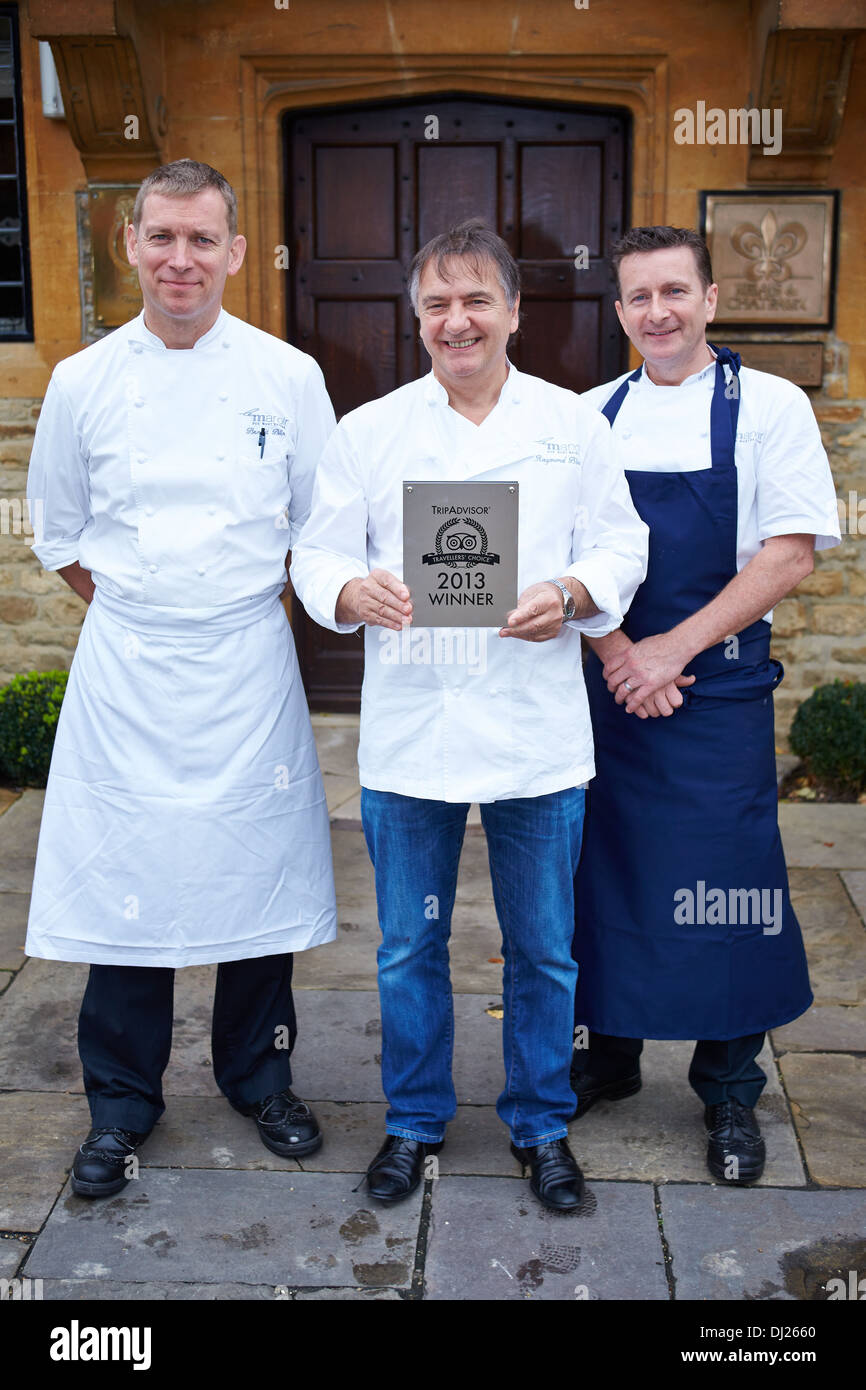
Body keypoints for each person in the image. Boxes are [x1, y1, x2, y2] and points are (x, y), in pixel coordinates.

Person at [290, 219, 648, 1212]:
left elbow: (622, 546)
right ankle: (412, 1121)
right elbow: (313, 556)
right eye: (438, 304)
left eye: (475, 299)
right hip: (411, 733)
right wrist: (347, 591)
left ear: (513, 311)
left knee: (542, 945)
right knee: (409, 944)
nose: (458, 320)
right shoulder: (369, 431)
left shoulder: (572, 425)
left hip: (536, 734)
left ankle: (539, 1123)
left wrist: (573, 593)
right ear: (416, 319)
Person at [25, 160, 338, 1198]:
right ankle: (120, 1105)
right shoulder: (80, 381)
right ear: (131, 246)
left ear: (236, 252)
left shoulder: (288, 376)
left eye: (202, 239)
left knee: (253, 870)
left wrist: (235, 615)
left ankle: (260, 1078)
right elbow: (61, 532)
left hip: (247, 659)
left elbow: (318, 527)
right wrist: (144, 612)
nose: (180, 258)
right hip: (130, 664)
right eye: (161, 236)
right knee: (129, 883)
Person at [570, 225, 841, 1184]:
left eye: (675, 291)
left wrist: (669, 651)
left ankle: (729, 1090)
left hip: (716, 687)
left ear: (711, 299)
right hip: (611, 689)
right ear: (620, 312)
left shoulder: (767, 406)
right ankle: (609, 1057)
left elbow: (791, 551)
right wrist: (617, 655)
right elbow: (565, 554)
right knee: (604, 872)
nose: (659, 312)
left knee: (730, 887)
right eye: (639, 296)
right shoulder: (590, 413)